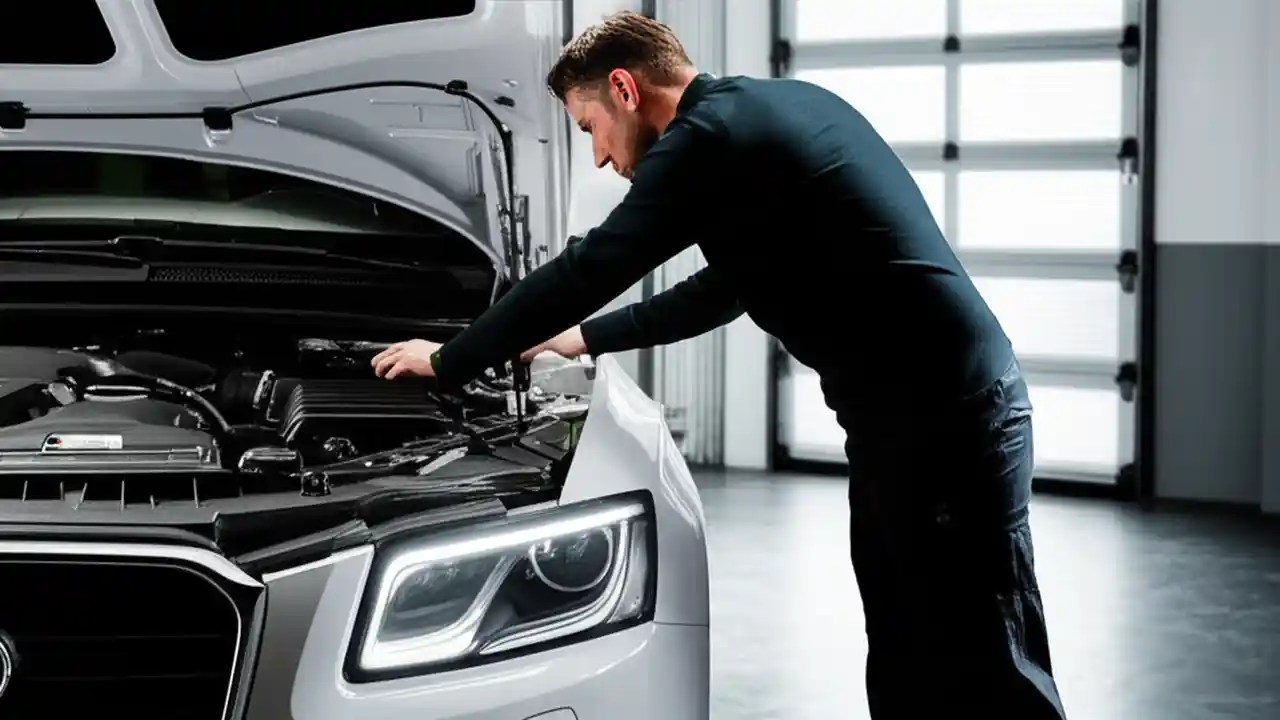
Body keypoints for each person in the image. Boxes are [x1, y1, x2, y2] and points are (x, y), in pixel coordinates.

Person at [372, 10, 1067, 719]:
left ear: (624, 87)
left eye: (589, 129)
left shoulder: (710, 139)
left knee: (985, 657)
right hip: (905, 424)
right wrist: (581, 338)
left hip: (948, 422)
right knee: (903, 644)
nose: (599, 158)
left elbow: (594, 265)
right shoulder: (760, 116)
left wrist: (451, 361)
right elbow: (725, 289)